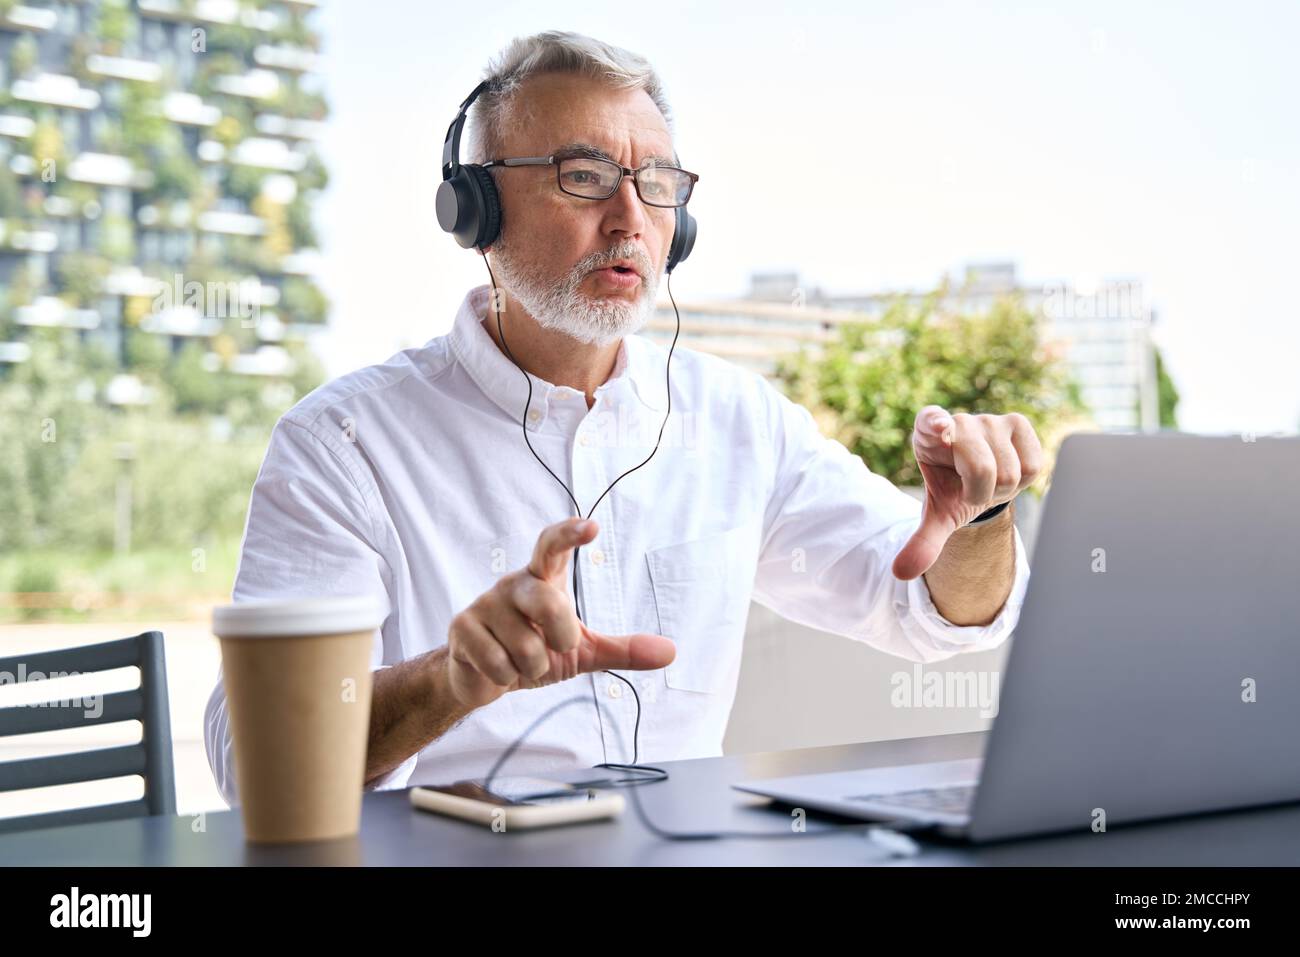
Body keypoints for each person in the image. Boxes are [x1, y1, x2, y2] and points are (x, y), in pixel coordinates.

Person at [205, 30, 1039, 806]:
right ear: (475, 213)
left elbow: (929, 611)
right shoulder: (342, 444)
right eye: (586, 176)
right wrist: (450, 679)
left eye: (657, 185)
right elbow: (257, 762)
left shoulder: (740, 420)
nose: (630, 219)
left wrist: (983, 515)